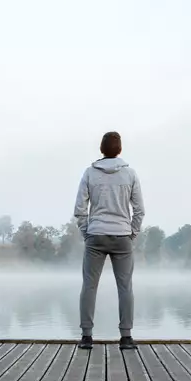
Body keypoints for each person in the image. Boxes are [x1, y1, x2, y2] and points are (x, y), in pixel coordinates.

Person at [73, 131, 144, 350]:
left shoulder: (89, 173)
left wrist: (87, 232)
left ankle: (86, 337)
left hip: (96, 235)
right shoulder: (130, 174)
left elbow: (79, 209)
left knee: (89, 286)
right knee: (125, 287)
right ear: (120, 149)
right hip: (122, 236)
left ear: (101, 149)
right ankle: (126, 338)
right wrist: (131, 233)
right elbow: (139, 210)